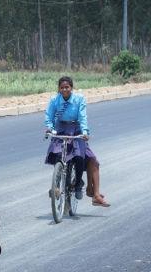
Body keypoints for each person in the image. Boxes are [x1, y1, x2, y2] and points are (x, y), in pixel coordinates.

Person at [44, 76, 110, 207]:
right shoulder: (54, 100)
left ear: (71, 88)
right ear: (59, 88)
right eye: (62, 87)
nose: (64, 90)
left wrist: (85, 132)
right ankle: (57, 184)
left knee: (79, 156)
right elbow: (49, 115)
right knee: (57, 153)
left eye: (67, 87)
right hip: (61, 128)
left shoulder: (79, 99)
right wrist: (49, 128)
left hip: (76, 129)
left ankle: (78, 183)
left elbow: (83, 116)